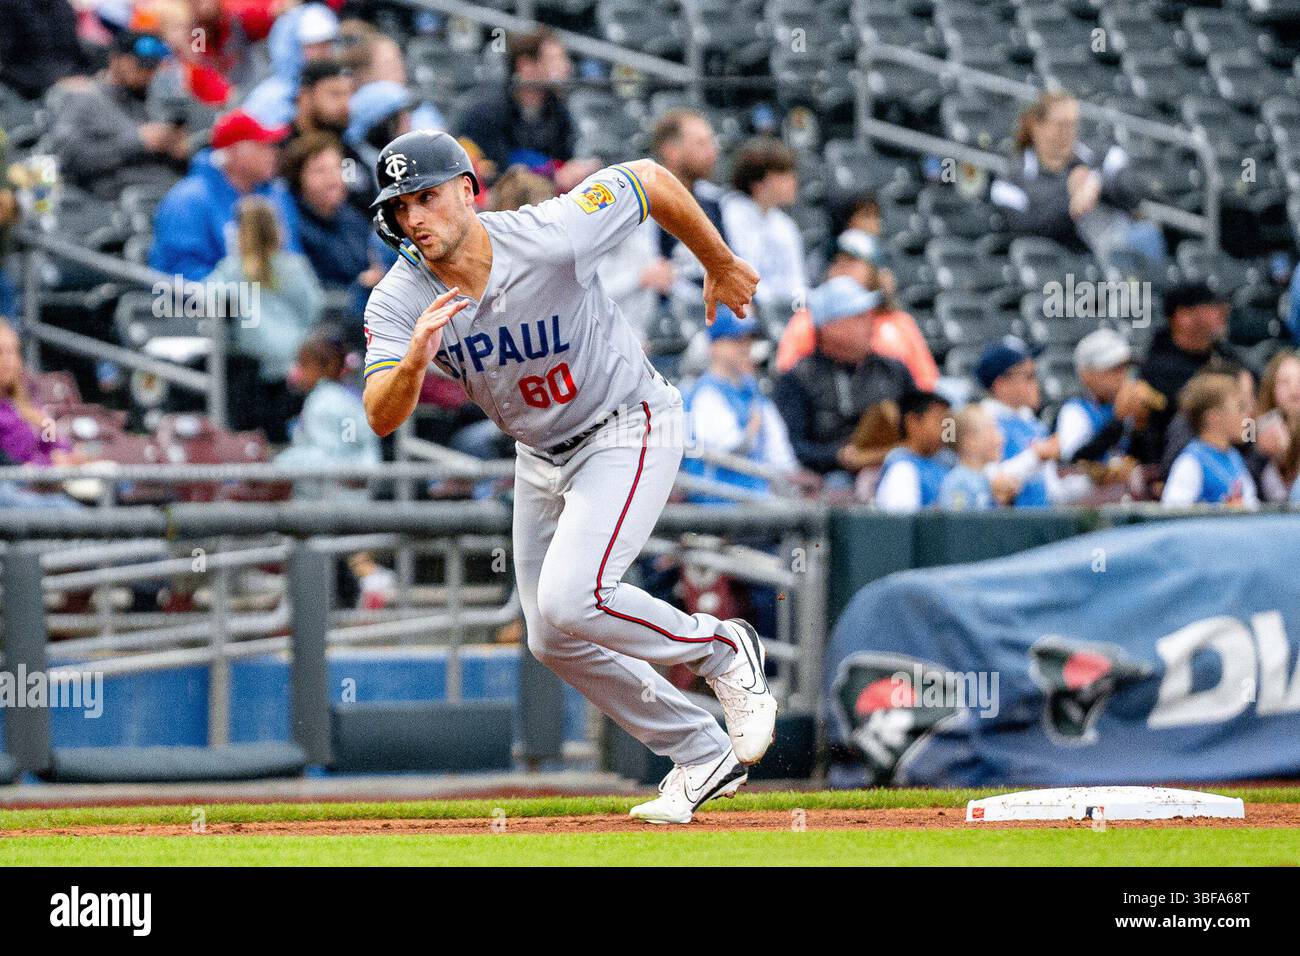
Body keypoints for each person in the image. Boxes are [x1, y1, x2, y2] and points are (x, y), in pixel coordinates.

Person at [360, 130, 774, 823]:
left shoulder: (548, 233)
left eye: (426, 197)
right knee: (550, 634)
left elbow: (648, 178)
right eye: (400, 207)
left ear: (467, 189)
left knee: (574, 597)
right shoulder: (400, 297)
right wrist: (412, 364)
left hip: (627, 421)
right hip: (540, 454)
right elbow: (378, 415)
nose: (414, 218)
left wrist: (720, 260)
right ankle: (700, 750)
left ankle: (723, 648)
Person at [990, 91, 1164, 264]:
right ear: (1037, 127)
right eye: (1060, 125)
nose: (1068, 133)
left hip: (1118, 244)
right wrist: (1070, 200)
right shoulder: (1010, 179)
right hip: (1066, 262)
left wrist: (1097, 184)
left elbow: (1140, 186)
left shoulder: (1099, 154)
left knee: (1146, 233)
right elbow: (1024, 227)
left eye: (1072, 124)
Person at [773, 273, 915, 480]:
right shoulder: (796, 380)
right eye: (859, 316)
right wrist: (837, 457)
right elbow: (792, 448)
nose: (871, 322)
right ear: (831, 327)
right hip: (831, 481)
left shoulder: (893, 370)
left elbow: (919, 417)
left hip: (894, 465)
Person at [209, 197, 324, 441]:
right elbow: (314, 308)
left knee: (255, 441)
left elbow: (206, 298)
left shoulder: (231, 269)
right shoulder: (295, 267)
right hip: (293, 368)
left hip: (255, 374)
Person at [149, 109, 301, 280]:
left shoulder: (276, 196)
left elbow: (292, 259)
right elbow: (178, 273)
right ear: (233, 150)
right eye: (262, 145)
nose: (273, 154)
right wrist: (241, 294)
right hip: (211, 304)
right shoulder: (188, 200)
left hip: (272, 303)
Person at [46, 30, 187, 200]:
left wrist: (178, 151)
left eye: (152, 67)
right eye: (140, 65)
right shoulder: (83, 99)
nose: (147, 74)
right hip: (114, 200)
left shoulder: (153, 101)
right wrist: (137, 141)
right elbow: (69, 159)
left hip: (166, 189)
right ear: (115, 60)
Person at [455, 27, 598, 192]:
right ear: (525, 66)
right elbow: (495, 176)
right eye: (554, 60)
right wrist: (552, 176)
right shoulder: (486, 111)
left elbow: (564, 159)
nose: (566, 67)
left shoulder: (558, 111)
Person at [681, 306, 799, 503]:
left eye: (747, 340)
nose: (744, 346)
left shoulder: (753, 391)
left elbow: (781, 456)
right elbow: (730, 449)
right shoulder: (705, 392)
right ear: (715, 346)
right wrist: (753, 427)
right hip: (717, 507)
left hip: (760, 504)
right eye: (735, 340)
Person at [976, 336, 1088, 507]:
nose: (1037, 383)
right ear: (1001, 384)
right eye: (1029, 376)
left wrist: (1092, 481)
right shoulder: (981, 421)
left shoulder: (1034, 424)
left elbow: (1051, 492)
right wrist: (1037, 456)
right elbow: (985, 483)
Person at [1137, 281, 1238, 465]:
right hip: (1177, 464)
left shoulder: (1223, 354)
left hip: (1232, 457)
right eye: (1210, 307)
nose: (1223, 311)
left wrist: (1252, 433)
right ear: (1183, 316)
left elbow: (1255, 397)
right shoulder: (1158, 367)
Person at [282, 132, 381, 308]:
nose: (333, 178)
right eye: (319, 171)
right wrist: (361, 287)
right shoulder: (293, 227)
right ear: (299, 178)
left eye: (338, 168)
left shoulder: (354, 219)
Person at [1056, 329, 1163, 491]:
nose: (1122, 376)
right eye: (1113, 369)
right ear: (1087, 374)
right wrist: (1118, 420)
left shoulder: (1127, 406)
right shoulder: (1075, 410)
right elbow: (1073, 461)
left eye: (1124, 368)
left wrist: (1142, 425)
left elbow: (1148, 461)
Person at [0, 319, 81, 510]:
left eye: (13, 352)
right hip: (16, 486)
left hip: (43, 482)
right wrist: (48, 467)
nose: (9, 361)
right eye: (1, 352)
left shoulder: (27, 405)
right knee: (62, 508)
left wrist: (63, 452)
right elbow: (11, 463)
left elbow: (53, 439)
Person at [720, 138, 806, 316]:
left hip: (783, 311)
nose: (793, 182)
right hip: (745, 308)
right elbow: (741, 275)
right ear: (758, 182)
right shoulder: (730, 214)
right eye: (783, 175)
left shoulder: (786, 225)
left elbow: (797, 282)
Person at [1161, 373, 1259, 508]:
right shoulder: (1191, 462)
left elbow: (1251, 505)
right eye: (1239, 408)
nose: (1247, 416)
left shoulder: (1234, 457)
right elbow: (1172, 512)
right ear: (1213, 417)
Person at [239, 1, 340, 126]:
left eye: (327, 44)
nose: (322, 53)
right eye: (311, 46)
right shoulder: (268, 100)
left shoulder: (343, 87)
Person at [869, 390, 953, 512]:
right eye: (939, 421)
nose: (946, 430)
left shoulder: (946, 460)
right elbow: (901, 525)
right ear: (912, 422)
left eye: (948, 423)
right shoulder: (902, 469)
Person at [938, 404, 1018, 510]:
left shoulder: (987, 479)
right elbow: (956, 523)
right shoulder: (958, 482)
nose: (1001, 439)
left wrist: (1005, 502)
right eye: (991, 430)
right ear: (970, 441)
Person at [1255, 350, 1300, 501]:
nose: (1294, 389)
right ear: (1271, 388)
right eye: (1285, 382)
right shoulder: (1254, 427)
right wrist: (1262, 454)